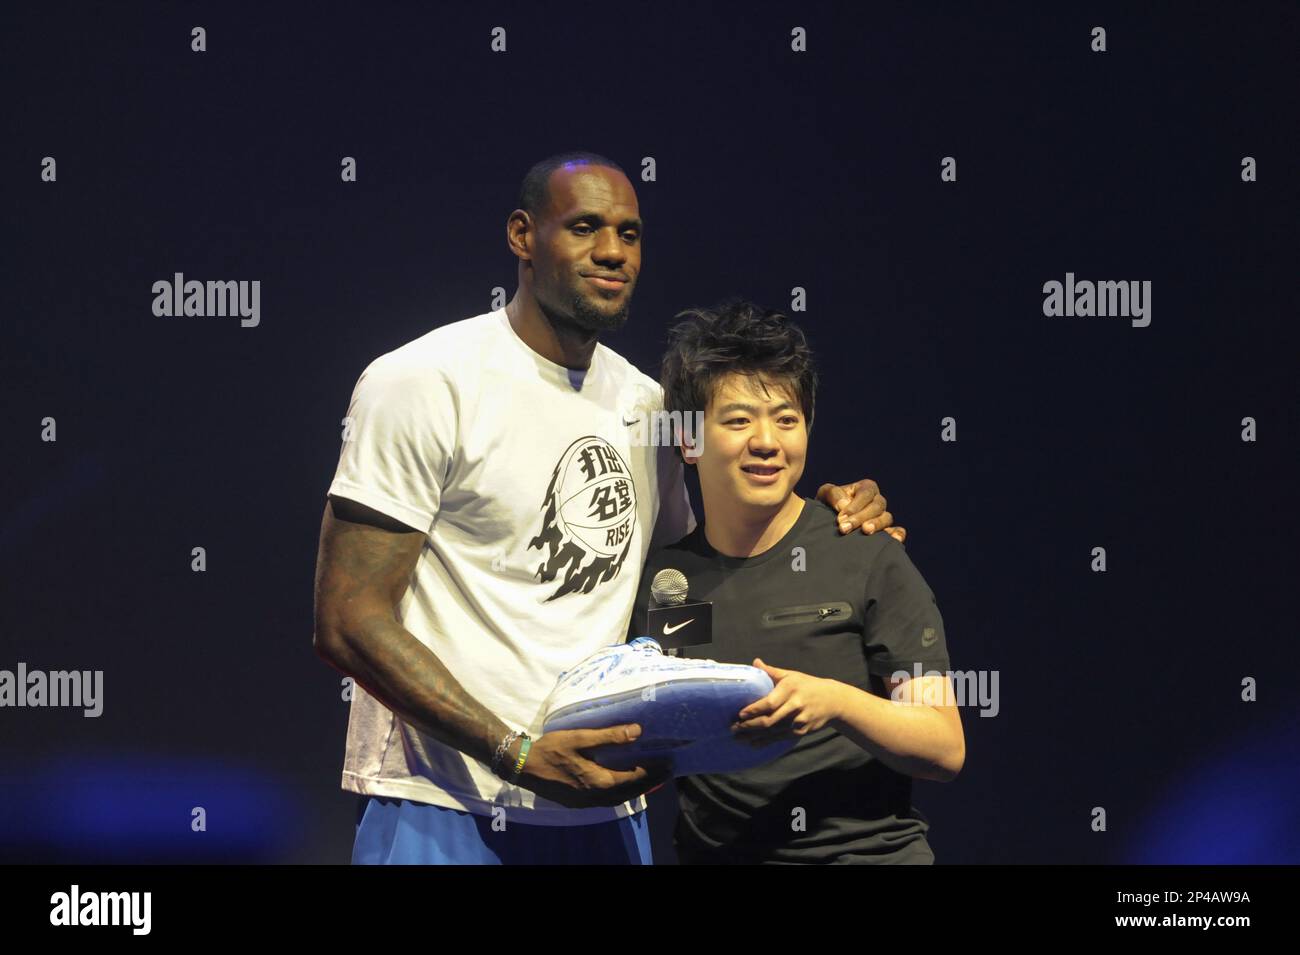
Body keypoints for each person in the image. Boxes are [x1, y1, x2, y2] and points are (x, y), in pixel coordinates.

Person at [312, 151, 904, 864]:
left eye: (630, 233)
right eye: (585, 227)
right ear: (522, 236)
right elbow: (347, 620)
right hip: (445, 803)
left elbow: (700, 585)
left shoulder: (649, 410)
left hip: (603, 810)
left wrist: (832, 521)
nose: (612, 252)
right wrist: (517, 752)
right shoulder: (423, 382)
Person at [630, 300, 964, 864]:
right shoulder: (666, 580)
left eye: (786, 419)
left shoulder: (867, 552)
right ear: (688, 441)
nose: (767, 441)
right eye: (738, 420)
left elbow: (944, 744)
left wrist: (836, 703)